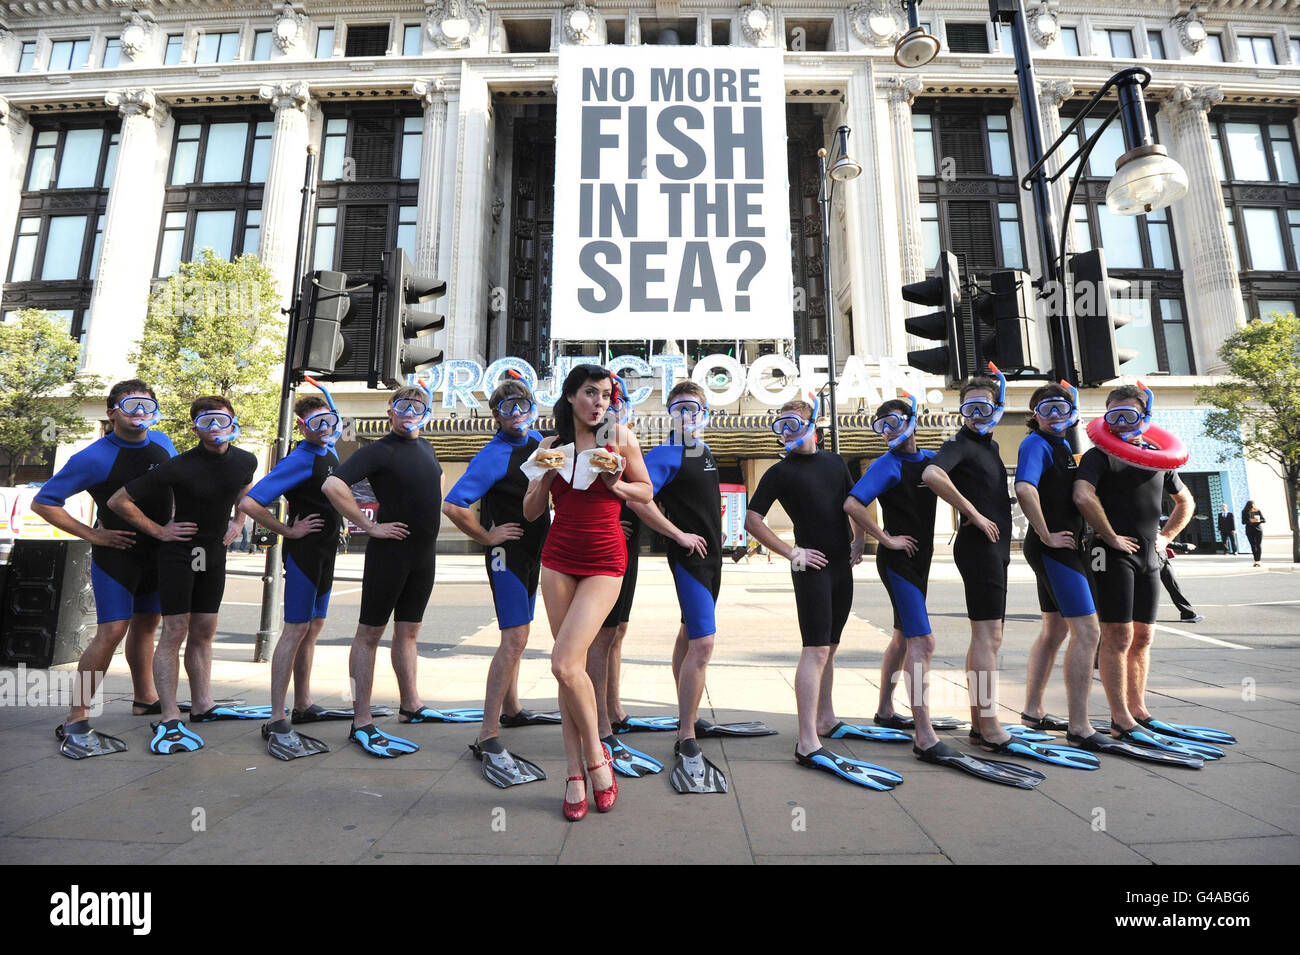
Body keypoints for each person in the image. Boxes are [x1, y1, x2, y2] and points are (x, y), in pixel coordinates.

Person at [745, 399, 902, 790]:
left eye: (794, 423)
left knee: (830, 646)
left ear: (813, 424)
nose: (787, 431)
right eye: (780, 424)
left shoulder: (834, 462)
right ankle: (806, 740)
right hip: (809, 564)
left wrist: (860, 540)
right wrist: (790, 551)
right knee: (814, 650)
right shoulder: (780, 472)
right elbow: (752, 519)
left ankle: (826, 719)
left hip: (839, 564)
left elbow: (854, 503)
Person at [523, 364, 653, 820]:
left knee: (562, 662)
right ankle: (574, 772)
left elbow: (646, 490)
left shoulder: (621, 440)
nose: (600, 402)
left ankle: (597, 760)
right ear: (571, 397)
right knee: (568, 668)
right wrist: (541, 475)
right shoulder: (549, 445)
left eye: (606, 396)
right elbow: (532, 510)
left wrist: (615, 481)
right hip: (558, 558)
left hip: (604, 559)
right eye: (591, 393)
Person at [1073, 384, 1227, 757]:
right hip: (1112, 554)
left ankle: (1139, 709)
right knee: (1118, 637)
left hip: (1149, 554)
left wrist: (1165, 536)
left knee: (1143, 636)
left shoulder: (1156, 457)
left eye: (1129, 414)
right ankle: (1119, 717)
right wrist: (1108, 536)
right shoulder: (1099, 455)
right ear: (1105, 417)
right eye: (1114, 415)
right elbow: (1082, 494)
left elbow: (1184, 500)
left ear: (1145, 417)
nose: (1122, 422)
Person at [32, 380, 176, 758]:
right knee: (112, 630)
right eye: (131, 405)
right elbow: (45, 502)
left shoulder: (163, 442)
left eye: (148, 404)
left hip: (158, 552)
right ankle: (77, 715)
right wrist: (93, 536)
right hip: (118, 554)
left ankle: (145, 698)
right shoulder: (93, 457)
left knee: (148, 625)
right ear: (112, 412)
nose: (140, 413)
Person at [108, 396, 257, 755]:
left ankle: (203, 704)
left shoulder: (246, 460)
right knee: (175, 630)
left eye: (222, 420)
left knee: (205, 630)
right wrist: (160, 531)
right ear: (195, 428)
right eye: (207, 421)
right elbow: (118, 501)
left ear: (233, 423)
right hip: (181, 553)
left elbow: (246, 489)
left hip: (213, 552)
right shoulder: (178, 466)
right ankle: (170, 713)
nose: (216, 427)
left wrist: (238, 522)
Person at [320, 385, 444, 758]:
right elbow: (332, 484)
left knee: (409, 632)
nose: (410, 412)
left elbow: (436, 486)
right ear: (391, 410)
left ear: (427, 413)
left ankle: (411, 705)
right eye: (403, 406)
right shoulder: (379, 449)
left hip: (423, 555)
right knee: (370, 633)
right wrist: (368, 525)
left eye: (418, 406)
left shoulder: (427, 447)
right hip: (390, 554)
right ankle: (361, 719)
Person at [442, 377, 554, 786]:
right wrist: (487, 536)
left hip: (532, 554)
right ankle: (488, 734)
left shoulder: (540, 443)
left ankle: (513, 709)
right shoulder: (493, 455)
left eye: (523, 405)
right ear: (495, 416)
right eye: (507, 409)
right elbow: (453, 505)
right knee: (514, 638)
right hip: (506, 554)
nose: (517, 414)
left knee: (520, 635)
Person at [629, 381, 731, 791]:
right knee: (703, 644)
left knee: (691, 633)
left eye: (693, 408)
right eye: (678, 409)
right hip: (689, 558)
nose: (687, 416)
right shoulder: (664, 453)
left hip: (714, 559)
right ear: (669, 415)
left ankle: (684, 713)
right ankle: (686, 735)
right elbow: (639, 498)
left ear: (705, 413)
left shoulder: (702, 450)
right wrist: (677, 534)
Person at [237, 392, 341, 760]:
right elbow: (249, 502)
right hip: (305, 553)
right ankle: (276, 716)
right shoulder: (298, 459)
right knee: (295, 629)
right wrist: (287, 531)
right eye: (316, 424)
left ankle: (304, 704)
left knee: (313, 628)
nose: (325, 429)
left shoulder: (329, 452)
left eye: (329, 421)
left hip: (327, 551)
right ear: (301, 426)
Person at [842, 396, 944, 751]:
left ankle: (885, 709)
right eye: (881, 426)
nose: (888, 432)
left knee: (902, 638)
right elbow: (854, 502)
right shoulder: (888, 465)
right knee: (923, 642)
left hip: (921, 560)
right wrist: (880, 539)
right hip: (899, 562)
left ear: (913, 420)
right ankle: (924, 733)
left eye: (894, 422)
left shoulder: (932, 460)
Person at [1242, 500, 1265, 566]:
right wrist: (1250, 521)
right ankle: (1256, 560)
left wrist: (1258, 520)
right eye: (1251, 505)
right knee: (1253, 545)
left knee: (1258, 545)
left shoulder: (1257, 511)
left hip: (1258, 530)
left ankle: (1258, 560)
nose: (1253, 506)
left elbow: (1263, 520)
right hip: (1249, 530)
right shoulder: (1244, 512)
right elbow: (1243, 522)